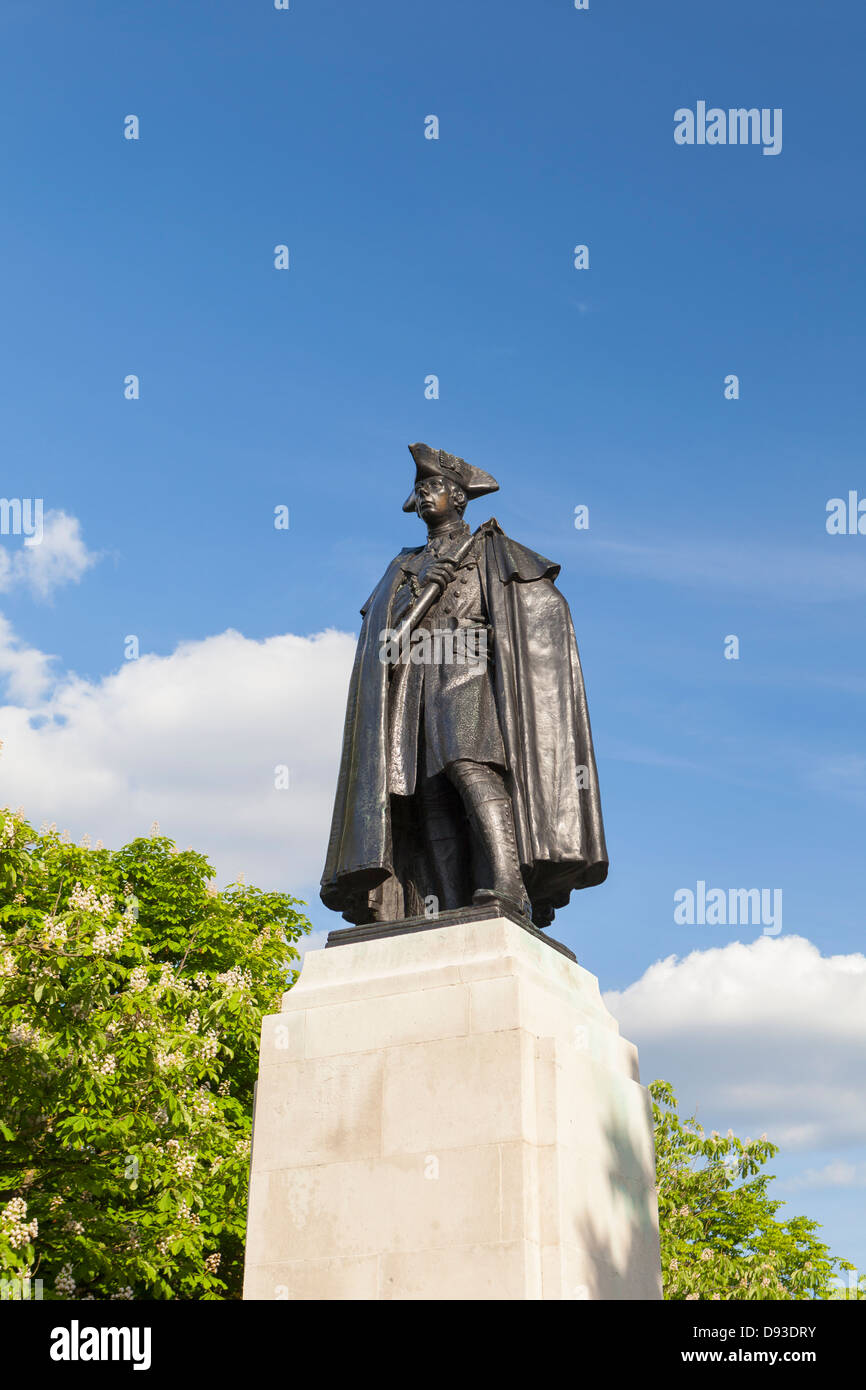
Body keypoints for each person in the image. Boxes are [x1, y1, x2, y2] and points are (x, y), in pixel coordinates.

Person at [320, 442, 608, 930]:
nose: (428, 495)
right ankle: (448, 903)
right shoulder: (404, 567)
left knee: (469, 768)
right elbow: (379, 640)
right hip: (415, 681)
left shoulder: (492, 550)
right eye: (422, 489)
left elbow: (544, 610)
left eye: (437, 487)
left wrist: (496, 638)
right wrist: (410, 596)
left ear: (459, 497)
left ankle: (507, 884)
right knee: (427, 791)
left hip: (467, 671)